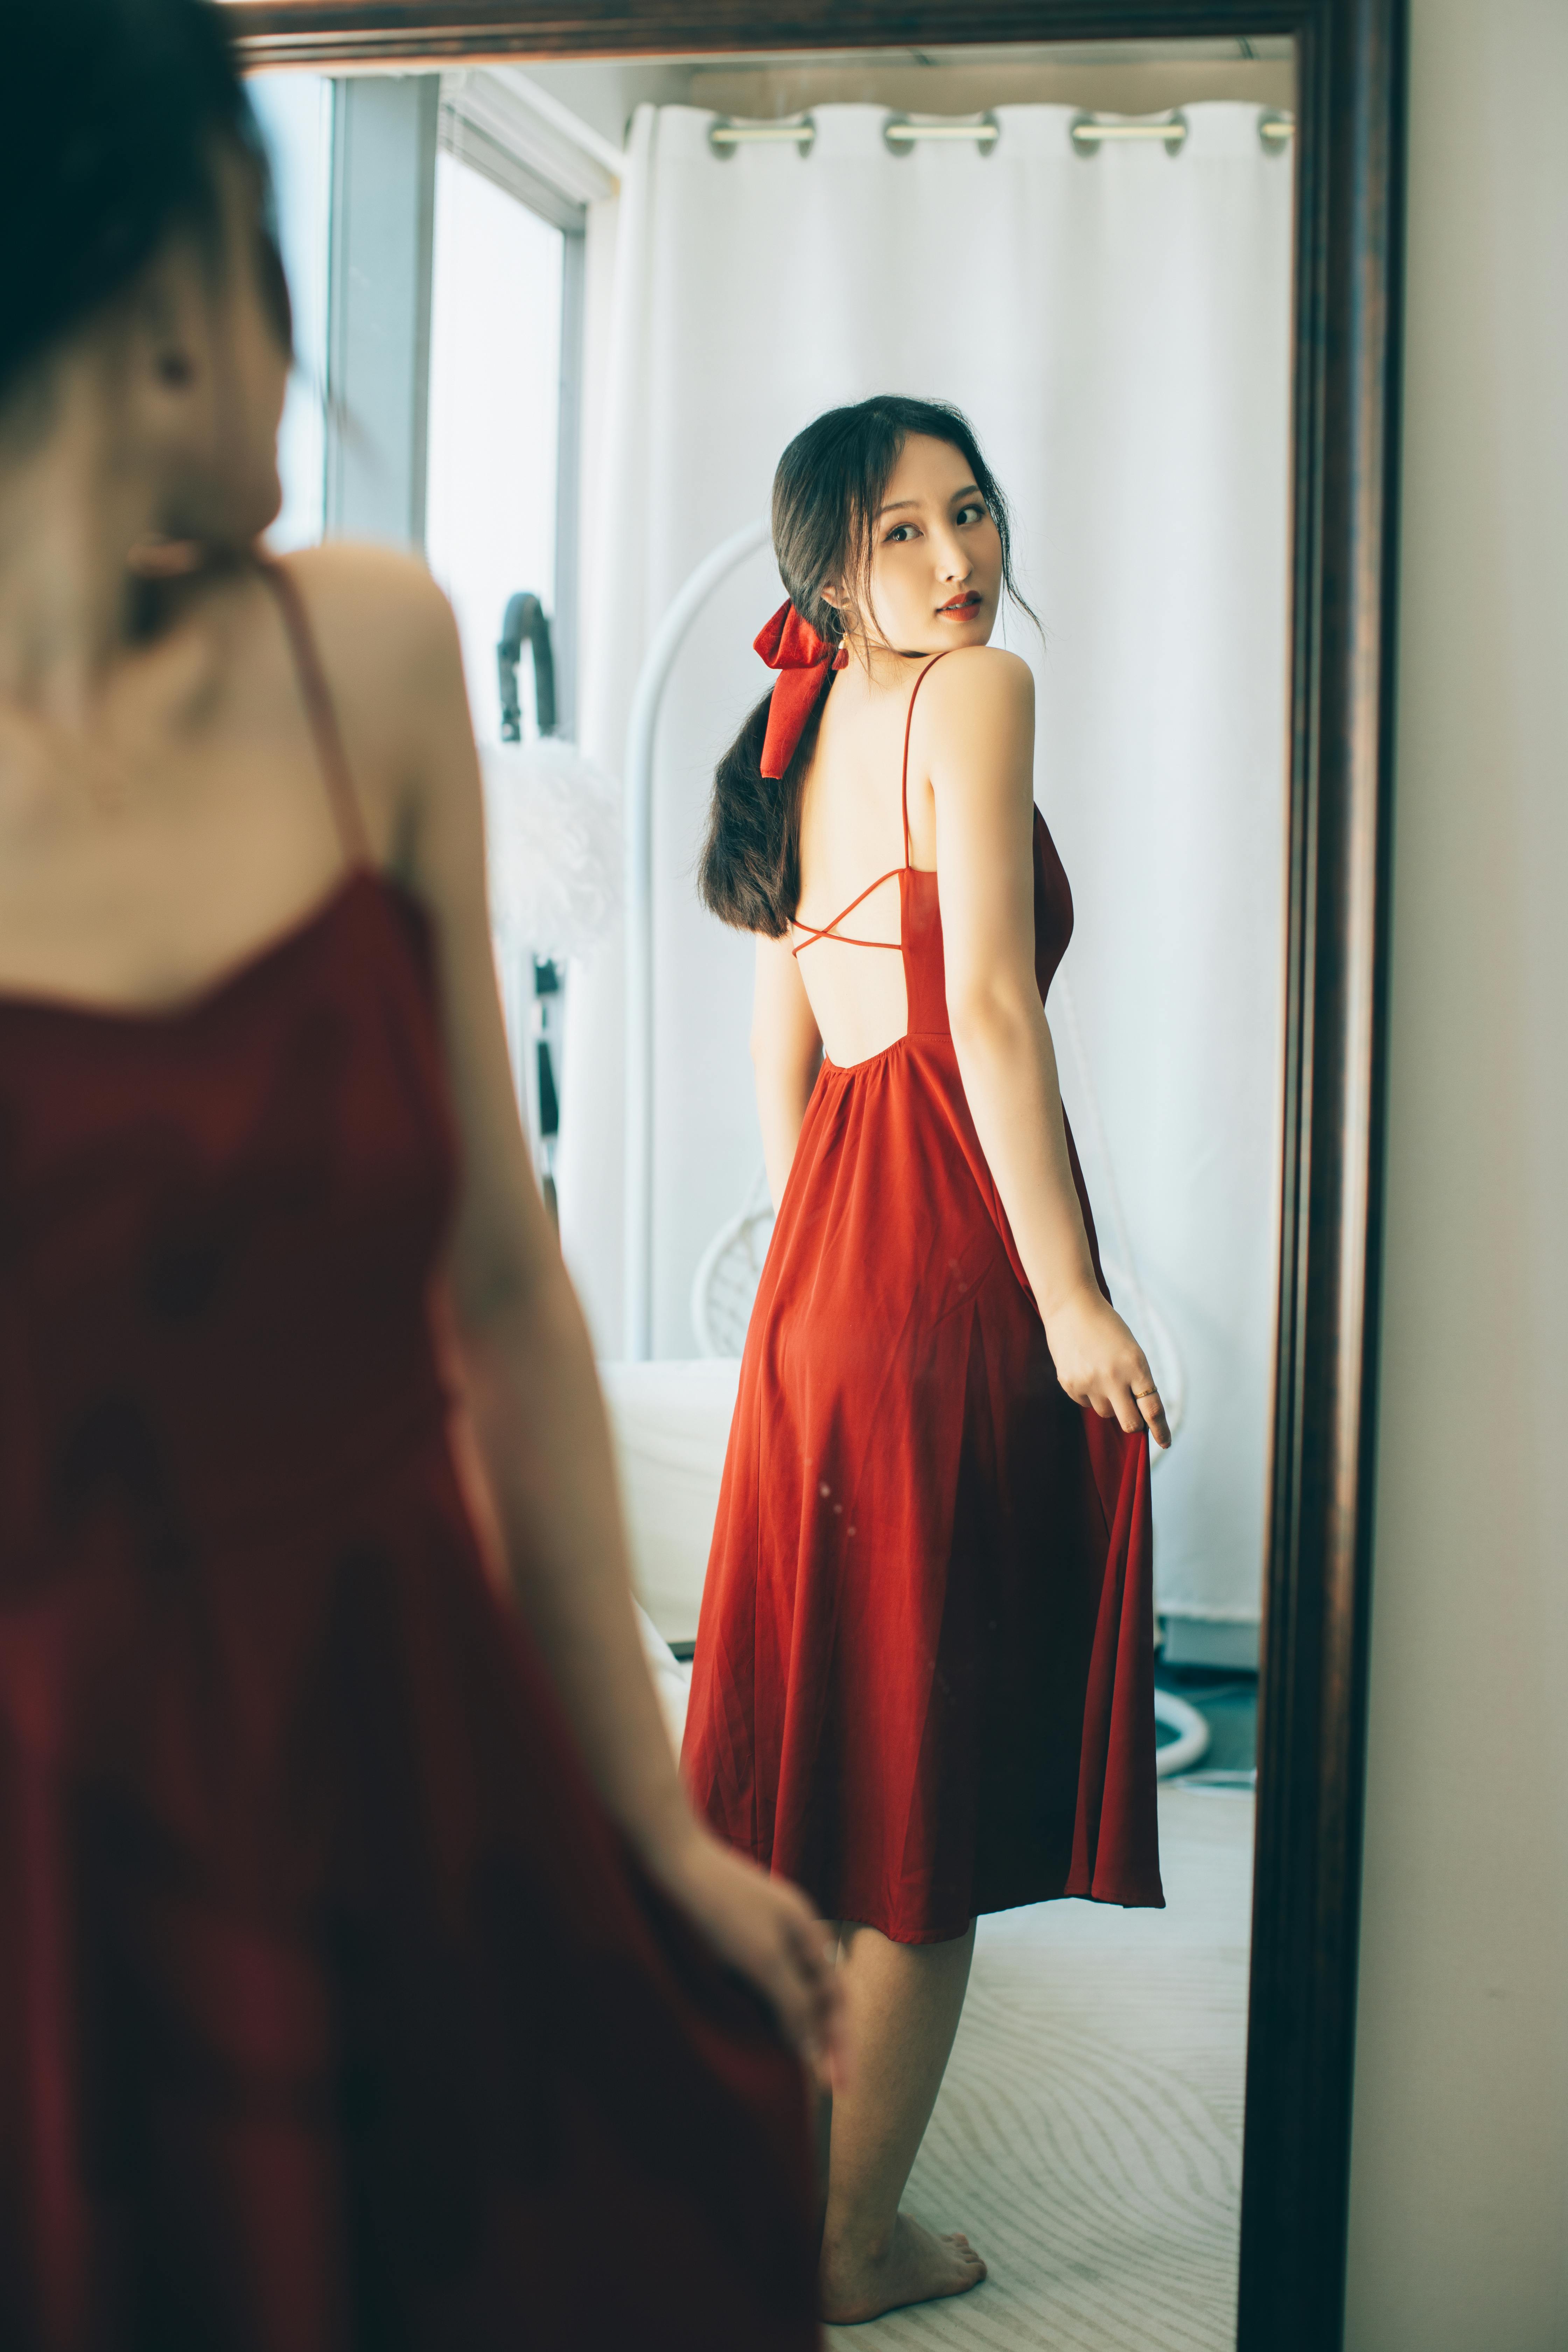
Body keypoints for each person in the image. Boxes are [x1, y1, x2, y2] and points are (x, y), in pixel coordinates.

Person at [0, 4, 840, 2345]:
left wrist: (652, 1823)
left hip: (408, 1746)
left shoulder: (364, 657)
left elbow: (501, 1289)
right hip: (61, 1848)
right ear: (173, 274)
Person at [684, 394, 1170, 2324]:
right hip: (945, 1255)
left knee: (816, 1779)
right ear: (828, 570)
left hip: (825, 1276)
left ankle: (765, 2205)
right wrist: (1059, 1296)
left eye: (968, 515)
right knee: (919, 1807)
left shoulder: (792, 735)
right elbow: (984, 999)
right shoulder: (979, 698)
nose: (958, 561)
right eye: (903, 534)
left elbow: (783, 1055)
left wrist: (837, 1262)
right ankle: (838, 2251)